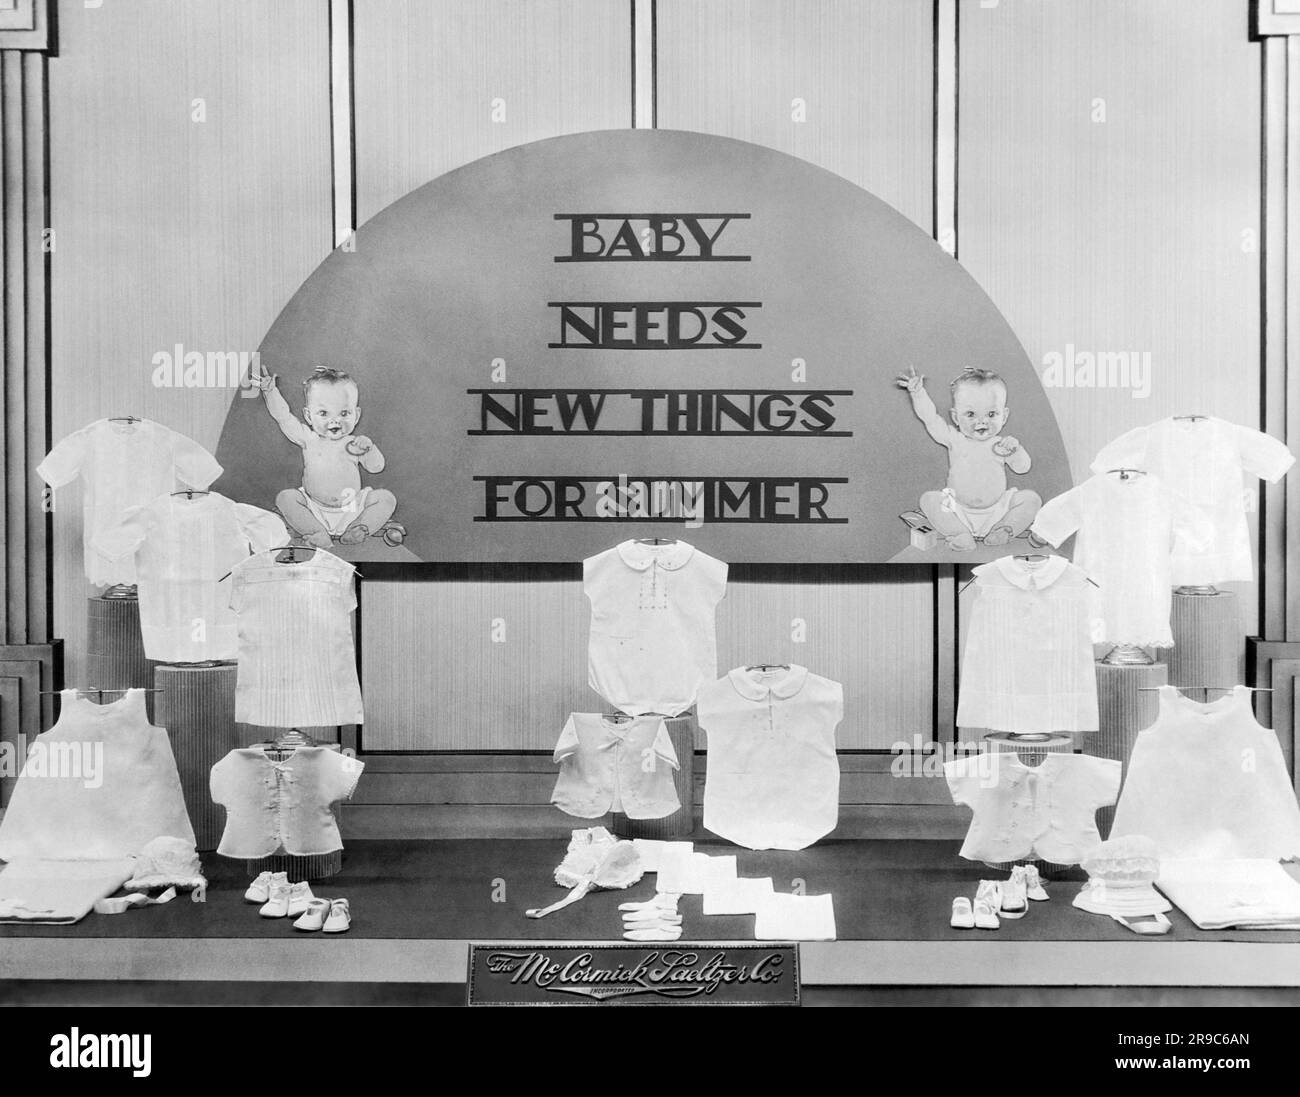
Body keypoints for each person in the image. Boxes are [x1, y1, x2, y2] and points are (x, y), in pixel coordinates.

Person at [255, 362, 402, 548]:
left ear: (356, 416)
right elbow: (283, 417)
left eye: (344, 413)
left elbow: (376, 467)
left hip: (352, 508)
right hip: (314, 508)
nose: (335, 420)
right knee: (286, 497)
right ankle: (317, 532)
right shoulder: (308, 439)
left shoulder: (354, 443)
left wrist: (369, 448)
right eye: (323, 413)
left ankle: (359, 528)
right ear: (309, 416)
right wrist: (270, 392)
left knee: (386, 498)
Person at [895, 365, 1040, 550]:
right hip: (959, 511)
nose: (982, 421)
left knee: (1031, 499)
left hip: (998, 511)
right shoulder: (955, 439)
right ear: (955, 417)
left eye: (991, 414)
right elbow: (930, 418)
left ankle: (1004, 529)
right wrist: (918, 393)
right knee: (930, 499)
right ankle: (959, 534)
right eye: (971, 414)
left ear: (1004, 416)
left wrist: (1016, 450)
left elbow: (1023, 467)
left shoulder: (1002, 444)